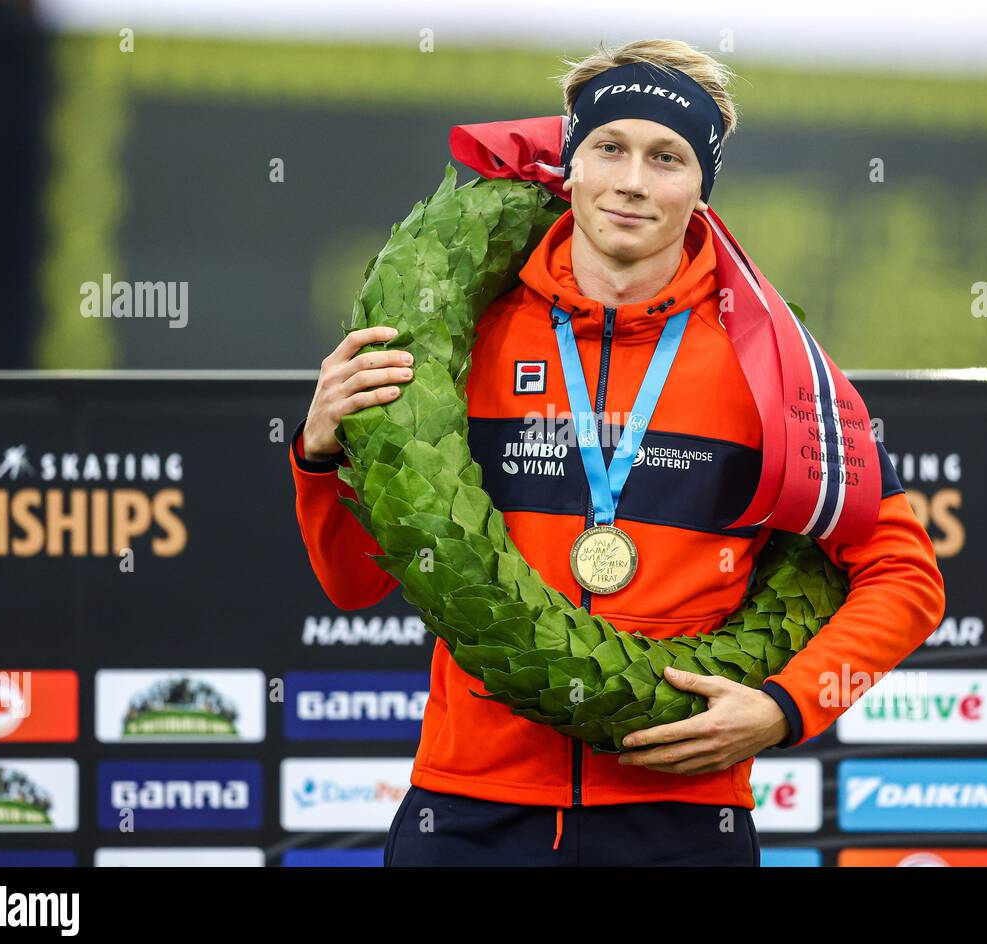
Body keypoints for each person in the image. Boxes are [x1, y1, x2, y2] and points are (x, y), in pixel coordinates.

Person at [289, 38, 946, 866]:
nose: (633, 181)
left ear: (703, 184)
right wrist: (323, 458)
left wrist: (787, 706)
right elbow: (355, 585)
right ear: (571, 162)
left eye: (667, 157)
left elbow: (906, 572)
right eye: (610, 147)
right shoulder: (466, 343)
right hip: (469, 812)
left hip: (681, 822)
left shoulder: (773, 366)